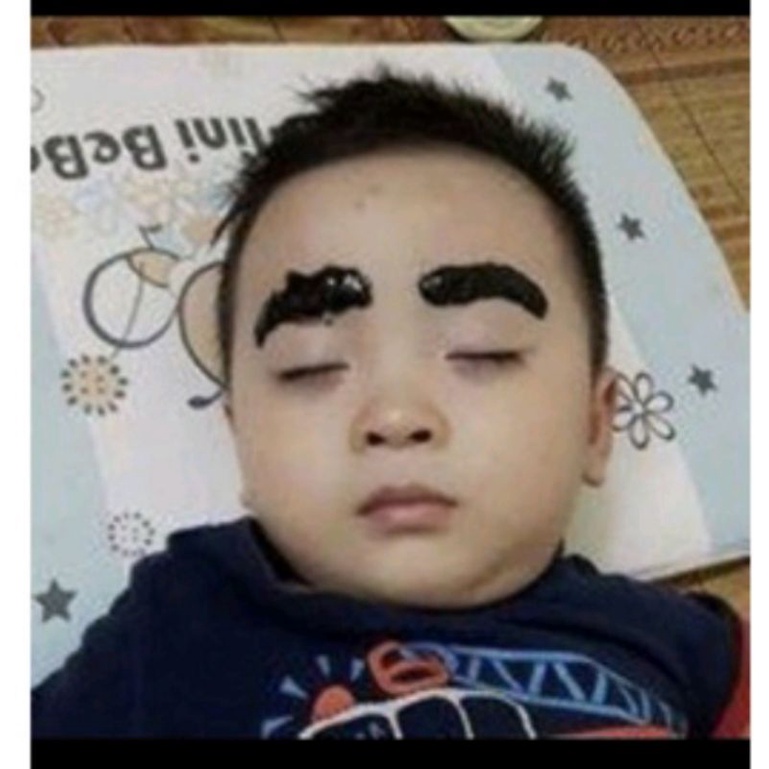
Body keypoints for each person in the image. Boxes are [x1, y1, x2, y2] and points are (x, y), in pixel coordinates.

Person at [32, 69, 748, 739]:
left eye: (482, 351)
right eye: (311, 367)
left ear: (595, 424)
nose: (395, 416)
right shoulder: (175, 625)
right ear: (239, 434)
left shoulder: (673, 640)